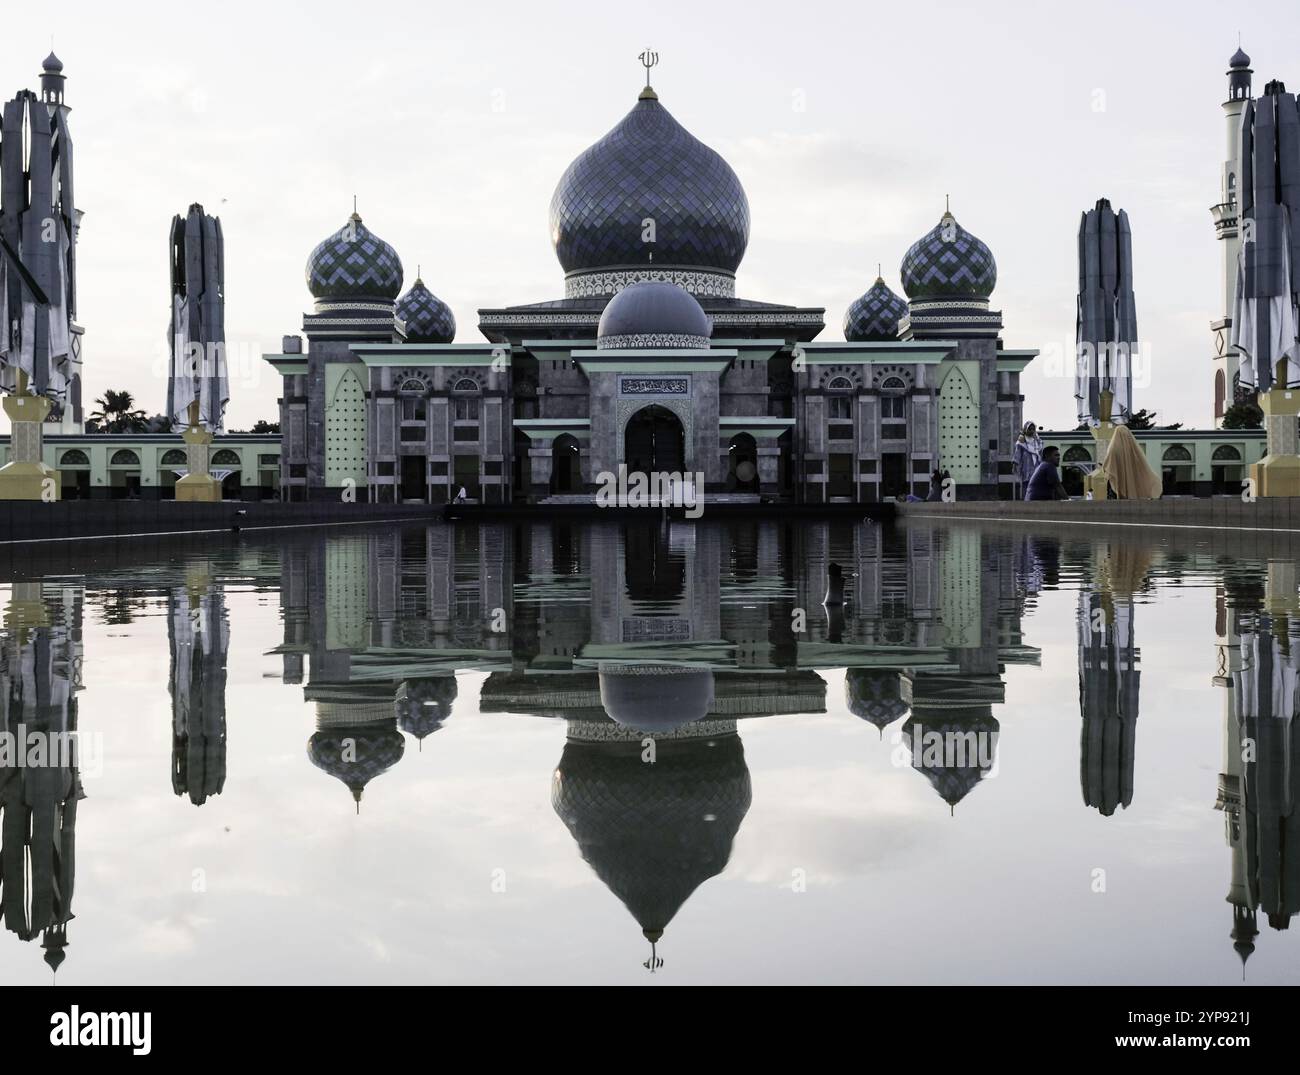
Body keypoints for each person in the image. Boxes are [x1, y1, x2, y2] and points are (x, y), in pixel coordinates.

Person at [1103, 424, 1162, 499]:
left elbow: (1107, 465)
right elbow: (1140, 463)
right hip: (1131, 483)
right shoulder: (1132, 449)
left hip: (1117, 484)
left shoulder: (1113, 449)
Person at [1013, 422, 1044, 500]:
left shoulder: (1036, 440)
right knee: (1026, 483)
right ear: (1025, 429)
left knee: (1036, 481)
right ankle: (1026, 500)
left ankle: (1036, 498)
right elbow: (1017, 453)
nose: (1031, 431)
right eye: (1030, 429)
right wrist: (1015, 464)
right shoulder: (1022, 440)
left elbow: (1040, 452)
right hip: (1026, 465)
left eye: (1033, 429)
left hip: (1036, 464)